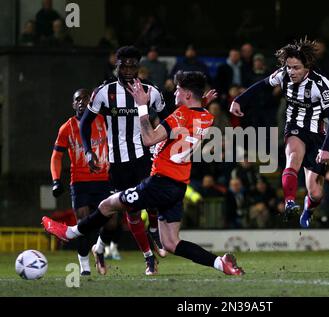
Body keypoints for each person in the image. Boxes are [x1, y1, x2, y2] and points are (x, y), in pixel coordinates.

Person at [42, 71, 244, 276]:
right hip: (178, 186)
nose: (174, 92)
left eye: (178, 90)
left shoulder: (181, 115)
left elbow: (148, 139)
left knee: (108, 204)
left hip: (160, 182)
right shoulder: (206, 116)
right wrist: (202, 103)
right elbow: (188, 116)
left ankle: (71, 232)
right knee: (172, 243)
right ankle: (221, 263)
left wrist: (141, 105)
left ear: (188, 95)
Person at [230, 38, 329, 228]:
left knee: (316, 193)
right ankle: (290, 202)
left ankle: (309, 206)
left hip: (316, 135)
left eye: (296, 68)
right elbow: (262, 84)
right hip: (294, 127)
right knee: (293, 157)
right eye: (289, 67)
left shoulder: (321, 85)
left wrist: (327, 148)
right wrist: (239, 100)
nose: (292, 71)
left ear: (307, 66)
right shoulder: (283, 75)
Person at [79, 46, 168, 274]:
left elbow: (165, 120)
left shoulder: (152, 92)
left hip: (143, 156)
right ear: (116, 65)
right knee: (128, 214)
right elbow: (85, 123)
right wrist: (88, 151)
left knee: (153, 198)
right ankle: (147, 258)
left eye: (133, 65)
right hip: (117, 163)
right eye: (124, 65)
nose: (128, 70)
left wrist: (162, 144)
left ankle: (157, 235)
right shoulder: (104, 93)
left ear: (139, 67)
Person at [50, 89, 114, 275]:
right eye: (77, 99)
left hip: (104, 180)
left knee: (112, 223)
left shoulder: (103, 121)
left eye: (86, 99)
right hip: (80, 183)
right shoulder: (67, 128)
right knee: (83, 225)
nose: (82, 102)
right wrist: (56, 180)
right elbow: (56, 156)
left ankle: (99, 249)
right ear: (73, 104)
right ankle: (84, 267)